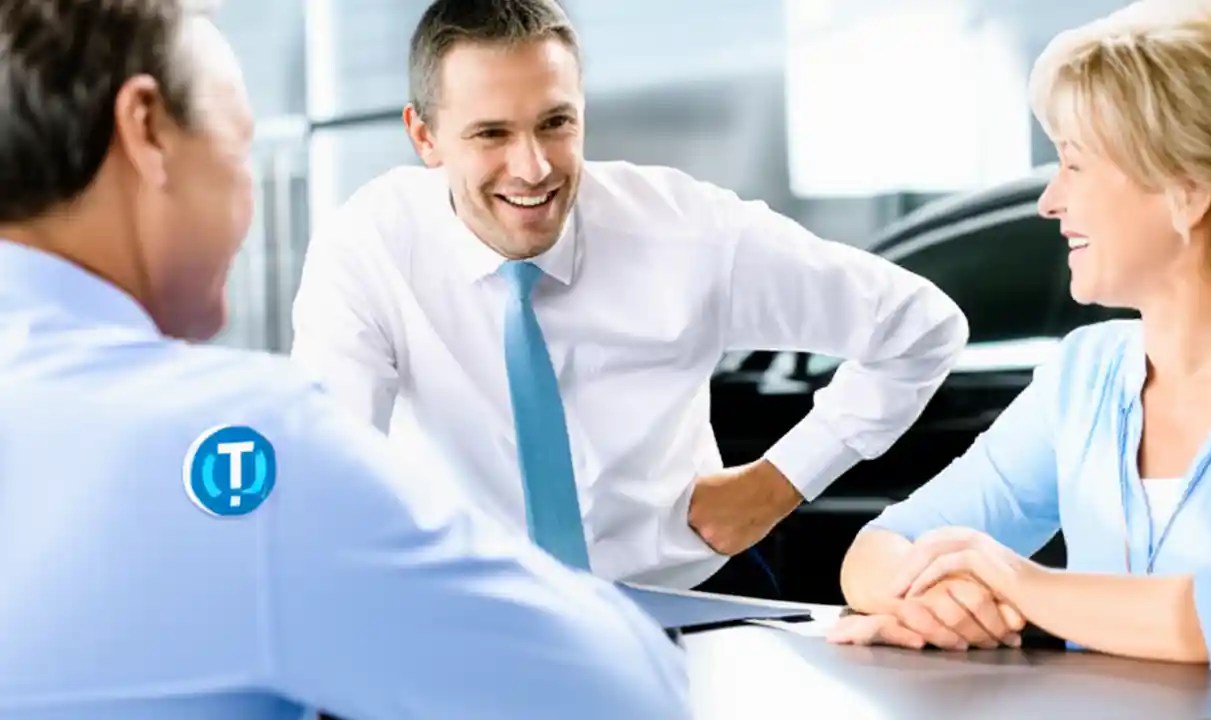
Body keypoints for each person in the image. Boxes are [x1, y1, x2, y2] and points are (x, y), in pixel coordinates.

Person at [0, 1, 690, 718]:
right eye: (239, 149)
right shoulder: (241, 448)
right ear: (146, 130)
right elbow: (621, 693)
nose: (247, 201)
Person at [289, 0, 969, 597]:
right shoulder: (369, 248)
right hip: (472, 610)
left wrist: (778, 483)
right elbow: (332, 472)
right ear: (424, 137)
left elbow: (920, 327)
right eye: (491, 133)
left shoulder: (687, 233)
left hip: (684, 594)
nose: (533, 168)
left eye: (556, 123)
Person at [831, 0, 1211, 671]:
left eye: (1075, 164)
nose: (1050, 201)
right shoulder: (1085, 376)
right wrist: (936, 597)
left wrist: (1021, 586)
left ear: (1186, 188)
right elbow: (883, 545)